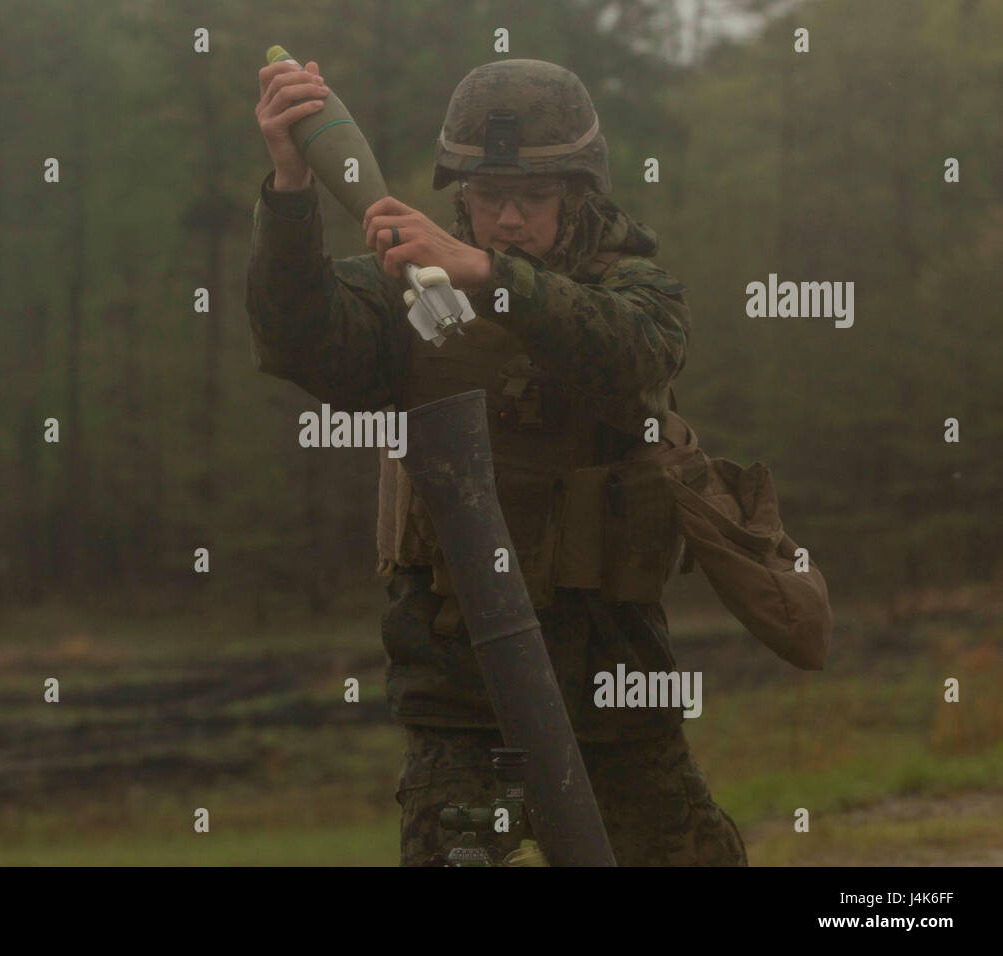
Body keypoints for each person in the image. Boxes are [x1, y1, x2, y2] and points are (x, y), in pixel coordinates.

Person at [247, 57, 747, 866]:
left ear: (580, 195)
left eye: (533, 200)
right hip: (460, 691)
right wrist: (292, 187)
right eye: (487, 199)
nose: (507, 219)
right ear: (460, 195)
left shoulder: (634, 288)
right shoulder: (406, 294)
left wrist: (488, 276)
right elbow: (297, 340)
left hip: (612, 687)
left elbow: (639, 353)